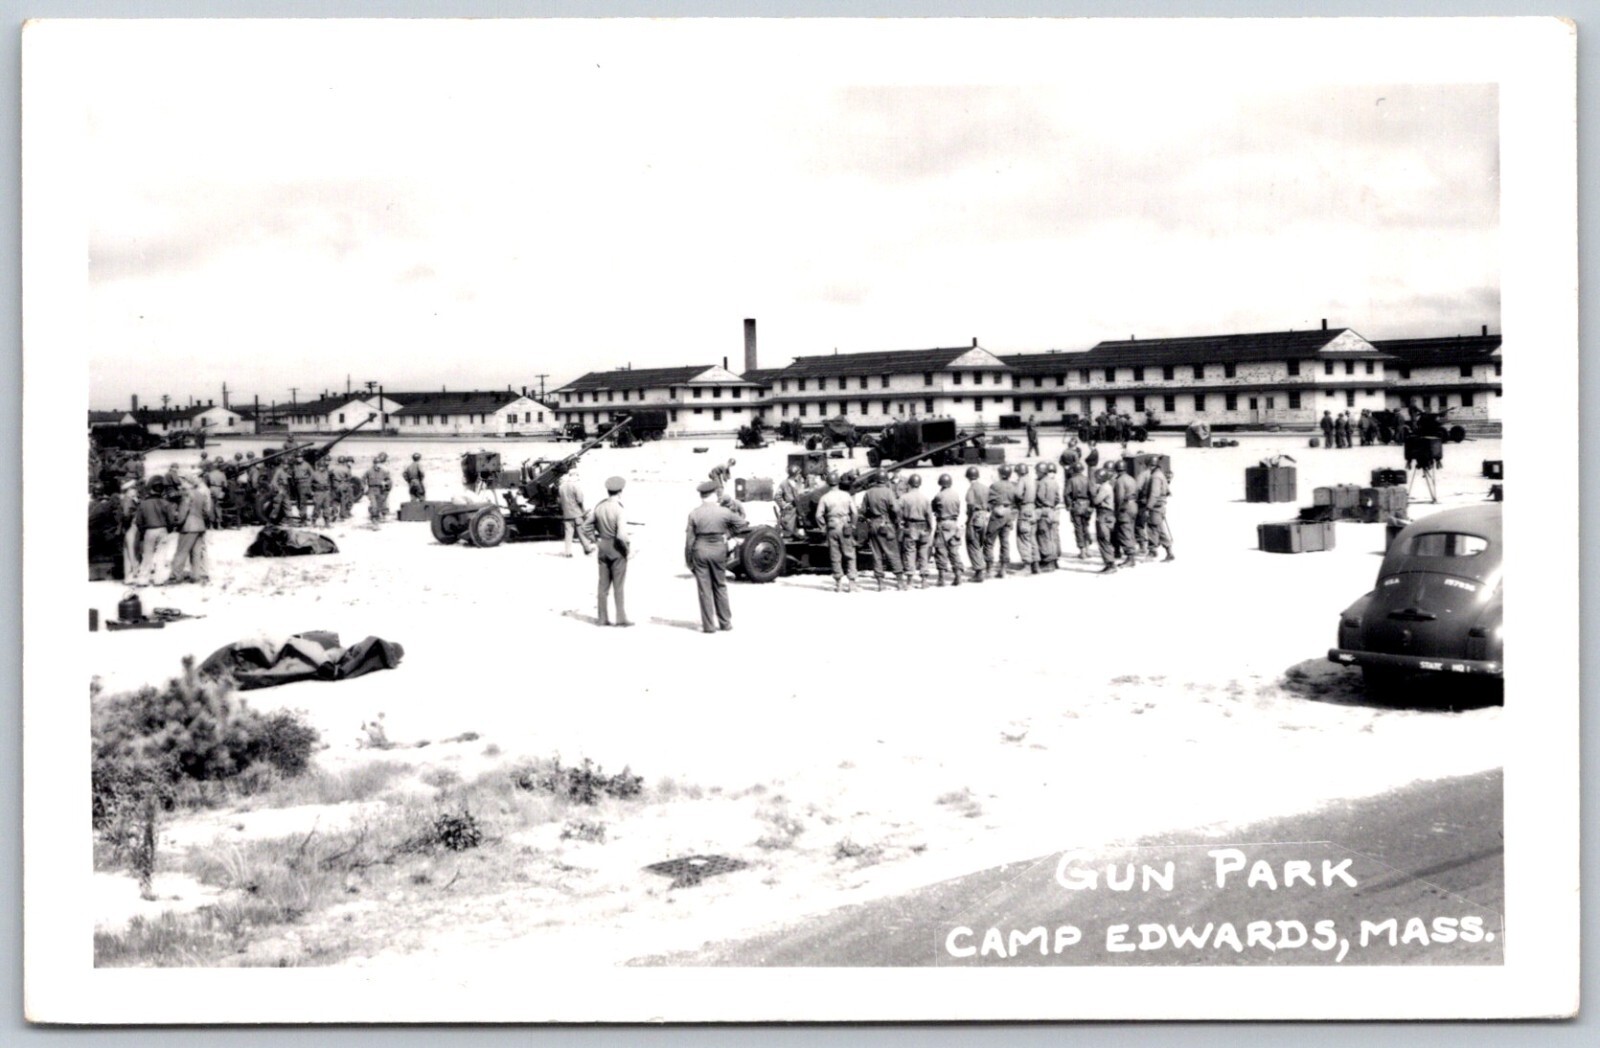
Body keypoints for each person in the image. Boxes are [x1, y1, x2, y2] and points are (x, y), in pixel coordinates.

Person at [685, 479, 742, 632]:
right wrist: (728, 535)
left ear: (701, 496)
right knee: (720, 586)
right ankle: (725, 623)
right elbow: (742, 524)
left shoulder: (694, 513)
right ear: (714, 494)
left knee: (704, 589)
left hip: (700, 550)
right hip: (718, 549)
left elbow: (689, 540)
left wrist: (688, 560)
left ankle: (709, 626)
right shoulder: (724, 512)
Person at [584, 476, 633, 627]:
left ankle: (602, 618)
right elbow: (621, 535)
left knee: (602, 586)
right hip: (616, 548)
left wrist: (595, 540)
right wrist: (627, 549)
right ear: (620, 491)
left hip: (603, 546)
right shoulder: (619, 508)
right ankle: (621, 619)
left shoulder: (600, 506)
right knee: (618, 586)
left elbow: (585, 526)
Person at [859, 470, 908, 591]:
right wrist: (897, 520)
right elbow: (896, 509)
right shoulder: (888, 492)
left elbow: (863, 511)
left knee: (877, 554)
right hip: (886, 524)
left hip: (873, 525)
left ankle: (880, 583)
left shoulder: (868, 492)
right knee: (893, 552)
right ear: (886, 480)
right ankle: (900, 582)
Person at [816, 472, 859, 592]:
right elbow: (855, 512)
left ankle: (838, 584)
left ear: (828, 483)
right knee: (850, 554)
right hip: (845, 526)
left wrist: (823, 528)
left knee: (835, 556)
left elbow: (818, 515)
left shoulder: (824, 498)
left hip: (832, 527)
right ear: (838, 482)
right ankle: (852, 584)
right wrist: (853, 526)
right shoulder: (846, 495)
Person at [169, 475, 212, 584]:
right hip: (200, 526)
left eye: (183, 482)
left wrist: (177, 522)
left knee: (181, 552)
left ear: (188, 483)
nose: (182, 484)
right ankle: (196, 576)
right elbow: (206, 511)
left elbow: (183, 512)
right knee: (196, 553)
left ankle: (176, 576)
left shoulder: (187, 495)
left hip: (188, 527)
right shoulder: (200, 494)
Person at [132, 478, 176, 586]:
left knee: (147, 556)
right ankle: (159, 580)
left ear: (151, 489)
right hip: (163, 530)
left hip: (149, 530)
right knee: (161, 556)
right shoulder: (166, 503)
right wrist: (168, 529)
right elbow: (171, 520)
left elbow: (139, 521)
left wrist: (143, 531)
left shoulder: (143, 504)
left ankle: (143, 580)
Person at [896, 473, 935, 589]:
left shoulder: (904, 498)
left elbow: (898, 513)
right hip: (923, 527)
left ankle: (909, 581)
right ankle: (924, 581)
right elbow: (929, 516)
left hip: (910, 527)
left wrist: (901, 523)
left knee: (910, 553)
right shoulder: (925, 498)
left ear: (909, 484)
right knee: (923, 553)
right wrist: (930, 528)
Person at [929, 472, 965, 586]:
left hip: (943, 524)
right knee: (954, 551)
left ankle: (941, 579)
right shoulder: (955, 494)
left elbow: (933, 508)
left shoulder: (939, 495)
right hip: (954, 524)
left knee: (940, 551)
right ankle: (958, 576)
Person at [985, 463, 1019, 579]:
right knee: (1005, 542)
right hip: (1009, 513)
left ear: (1000, 474)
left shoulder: (994, 485)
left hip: (998, 513)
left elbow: (988, 501)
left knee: (989, 541)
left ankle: (989, 568)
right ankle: (1003, 569)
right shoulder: (1014, 485)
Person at [1141, 457, 1174, 561]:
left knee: (1155, 528)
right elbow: (1168, 491)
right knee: (1155, 528)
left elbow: (1154, 494)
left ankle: (1165, 552)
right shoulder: (1161, 474)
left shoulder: (1155, 476)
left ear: (1151, 465)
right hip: (1160, 505)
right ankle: (1155, 551)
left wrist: (1148, 507)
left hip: (1155, 507)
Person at [1112, 459, 1141, 569]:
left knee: (1125, 532)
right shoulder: (1131, 478)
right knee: (1130, 530)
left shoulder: (1120, 481)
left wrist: (1117, 511)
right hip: (1133, 505)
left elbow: (1119, 498)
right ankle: (1131, 556)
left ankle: (1130, 558)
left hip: (1125, 508)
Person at [963, 465, 989, 584]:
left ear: (968, 477)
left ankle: (979, 572)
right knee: (980, 543)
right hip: (985, 517)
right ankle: (983, 567)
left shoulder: (971, 489)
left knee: (972, 544)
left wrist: (968, 520)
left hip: (975, 517)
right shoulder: (985, 488)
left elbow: (970, 505)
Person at [558, 466, 593, 555]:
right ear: (574, 475)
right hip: (577, 514)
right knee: (581, 532)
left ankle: (568, 552)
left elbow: (559, 500)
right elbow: (580, 499)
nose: (578, 477)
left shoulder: (561, 487)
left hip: (566, 514)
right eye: (577, 475)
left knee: (568, 534)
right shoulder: (575, 485)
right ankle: (587, 549)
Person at [1015, 461, 1041, 574]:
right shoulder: (1032, 480)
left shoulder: (1022, 480)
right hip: (1033, 509)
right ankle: (1036, 565)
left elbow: (1017, 494)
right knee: (1032, 538)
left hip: (1024, 509)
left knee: (1023, 538)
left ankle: (1027, 566)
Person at [1092, 467, 1119, 574]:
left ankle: (1110, 564)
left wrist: (1094, 493)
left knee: (1103, 540)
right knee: (1107, 539)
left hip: (1103, 514)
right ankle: (1110, 563)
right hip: (1109, 514)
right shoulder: (1107, 486)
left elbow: (1096, 500)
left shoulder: (1104, 487)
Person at [1065, 461, 1094, 560]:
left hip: (1076, 505)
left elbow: (1066, 494)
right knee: (1086, 527)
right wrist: (1091, 506)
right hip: (1086, 505)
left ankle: (1082, 551)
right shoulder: (1087, 479)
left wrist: (1069, 505)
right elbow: (1092, 493)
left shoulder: (1071, 480)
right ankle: (1088, 549)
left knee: (1078, 528)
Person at [1036, 461, 1062, 570]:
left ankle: (1047, 562)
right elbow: (1057, 498)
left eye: (1037, 472)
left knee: (1044, 536)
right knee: (1053, 536)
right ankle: (1055, 560)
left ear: (1041, 472)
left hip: (1044, 511)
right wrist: (1052, 504)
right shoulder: (1054, 482)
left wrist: (1041, 505)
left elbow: (1040, 496)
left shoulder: (1042, 482)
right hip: (1053, 511)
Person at [117, 478, 142, 581]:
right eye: (133, 489)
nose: (135, 491)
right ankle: (135, 573)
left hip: (127, 527)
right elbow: (127, 515)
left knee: (128, 551)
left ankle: (128, 576)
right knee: (132, 550)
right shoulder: (128, 501)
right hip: (131, 526)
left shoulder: (127, 500)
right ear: (128, 491)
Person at [362, 453, 392, 524]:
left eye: (379, 463)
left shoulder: (383, 471)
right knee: (374, 505)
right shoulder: (369, 471)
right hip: (371, 490)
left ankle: (377, 517)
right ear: (374, 464)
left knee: (379, 505)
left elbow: (388, 480)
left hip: (380, 490)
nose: (378, 465)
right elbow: (362, 480)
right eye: (376, 463)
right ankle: (374, 520)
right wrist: (364, 487)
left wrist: (386, 483)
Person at [776, 464, 804, 536]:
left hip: (799, 510)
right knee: (788, 531)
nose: (799, 475)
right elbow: (777, 496)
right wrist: (784, 505)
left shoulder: (799, 482)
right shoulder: (784, 484)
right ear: (794, 474)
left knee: (800, 532)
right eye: (798, 473)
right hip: (789, 511)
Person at [309, 456, 334, 527]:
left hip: (326, 492)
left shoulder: (327, 473)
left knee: (327, 508)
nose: (321, 468)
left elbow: (329, 482)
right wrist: (311, 492)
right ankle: (313, 521)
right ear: (318, 466)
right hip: (318, 492)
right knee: (317, 507)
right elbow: (309, 483)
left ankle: (327, 523)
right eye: (320, 466)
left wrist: (329, 490)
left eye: (323, 466)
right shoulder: (314, 474)